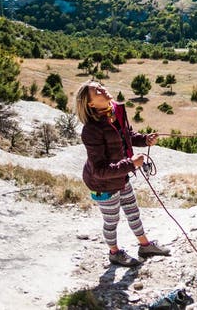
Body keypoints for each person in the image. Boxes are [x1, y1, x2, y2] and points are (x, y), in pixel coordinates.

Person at [75, 80, 171, 267]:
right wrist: (131, 164)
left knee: (133, 212)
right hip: (102, 184)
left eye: (101, 86)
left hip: (121, 175)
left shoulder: (115, 112)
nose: (103, 90)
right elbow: (100, 170)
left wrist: (144, 140)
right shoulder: (91, 130)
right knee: (112, 220)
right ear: (91, 104)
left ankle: (145, 246)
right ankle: (114, 253)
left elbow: (127, 135)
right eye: (97, 91)